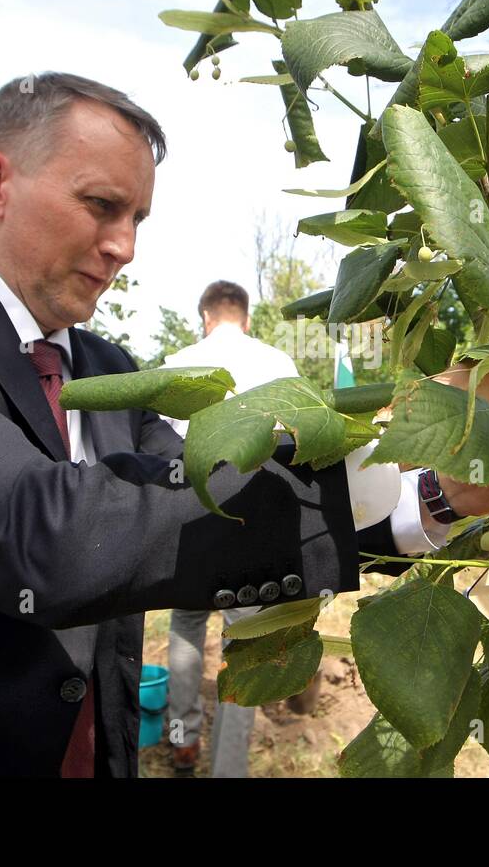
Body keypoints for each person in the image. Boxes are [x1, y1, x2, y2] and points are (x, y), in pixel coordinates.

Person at [0, 71, 489, 777]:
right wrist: (394, 431)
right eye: (101, 206)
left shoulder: (108, 369)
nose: (123, 247)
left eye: (140, 219)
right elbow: (25, 529)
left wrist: (432, 487)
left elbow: (208, 502)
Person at [159, 281, 303, 776]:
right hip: (256, 523)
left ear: (205, 316)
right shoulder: (279, 364)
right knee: (245, 647)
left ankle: (182, 739)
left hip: (191, 517)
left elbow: (158, 453)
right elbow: (296, 449)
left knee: (186, 622)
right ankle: (228, 770)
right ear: (244, 317)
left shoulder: (176, 363)